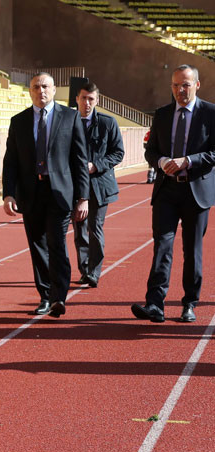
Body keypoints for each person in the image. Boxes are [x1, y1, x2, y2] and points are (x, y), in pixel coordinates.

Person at [132, 64, 215, 324]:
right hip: (166, 190)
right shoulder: (163, 114)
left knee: (192, 250)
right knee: (162, 247)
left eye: (186, 85)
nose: (181, 90)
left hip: (196, 191)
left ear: (197, 85)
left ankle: (189, 303)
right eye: (176, 85)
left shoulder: (211, 114)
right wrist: (162, 161)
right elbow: (151, 150)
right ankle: (155, 304)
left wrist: (187, 161)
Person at [2, 72, 89, 318]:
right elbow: (11, 162)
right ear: (30, 91)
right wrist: (8, 194)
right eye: (36, 87)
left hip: (59, 192)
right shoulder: (18, 121)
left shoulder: (70, 117)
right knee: (37, 246)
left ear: (54, 90)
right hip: (30, 193)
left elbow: (80, 160)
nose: (41, 91)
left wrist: (83, 197)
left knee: (57, 244)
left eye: (46, 87)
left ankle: (58, 297)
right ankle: (45, 295)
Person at [72, 82, 124, 289]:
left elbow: (118, 153)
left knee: (95, 228)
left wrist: (96, 165)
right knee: (79, 230)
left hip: (99, 185)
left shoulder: (108, 123)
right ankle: (84, 269)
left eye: (91, 99)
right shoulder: (67, 121)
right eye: (83, 98)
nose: (87, 103)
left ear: (97, 100)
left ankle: (94, 272)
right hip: (75, 186)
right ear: (77, 99)